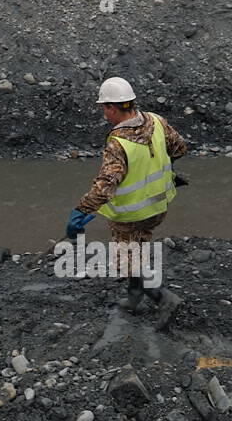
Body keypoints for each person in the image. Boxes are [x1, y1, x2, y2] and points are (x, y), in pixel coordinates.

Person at [66, 76, 188, 329]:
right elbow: (179, 148)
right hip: (158, 206)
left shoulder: (118, 143)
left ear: (112, 107)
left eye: (104, 108)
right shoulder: (157, 121)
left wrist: (80, 212)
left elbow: (105, 186)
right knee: (137, 249)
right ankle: (134, 299)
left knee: (126, 260)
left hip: (130, 214)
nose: (103, 114)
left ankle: (163, 298)